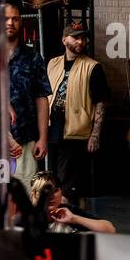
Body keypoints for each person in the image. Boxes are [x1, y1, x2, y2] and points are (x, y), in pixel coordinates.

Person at [46, 19, 109, 206]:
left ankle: (69, 216)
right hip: (52, 129)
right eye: (75, 38)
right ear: (64, 40)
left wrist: (95, 135)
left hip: (77, 133)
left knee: (69, 185)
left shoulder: (93, 67)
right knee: (53, 180)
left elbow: (101, 102)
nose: (81, 41)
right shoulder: (52, 64)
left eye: (83, 38)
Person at [5, 3, 50, 185]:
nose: (10, 23)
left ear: (21, 22)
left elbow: (41, 98)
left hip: (25, 139)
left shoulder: (33, 57)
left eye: (15, 19)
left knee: (26, 192)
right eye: (5, 19)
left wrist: (43, 138)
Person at [28, 171, 115, 234]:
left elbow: (110, 229)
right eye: (44, 192)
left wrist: (74, 219)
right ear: (33, 195)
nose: (51, 196)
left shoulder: (69, 212)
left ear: (61, 192)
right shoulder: (26, 216)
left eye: (55, 191)